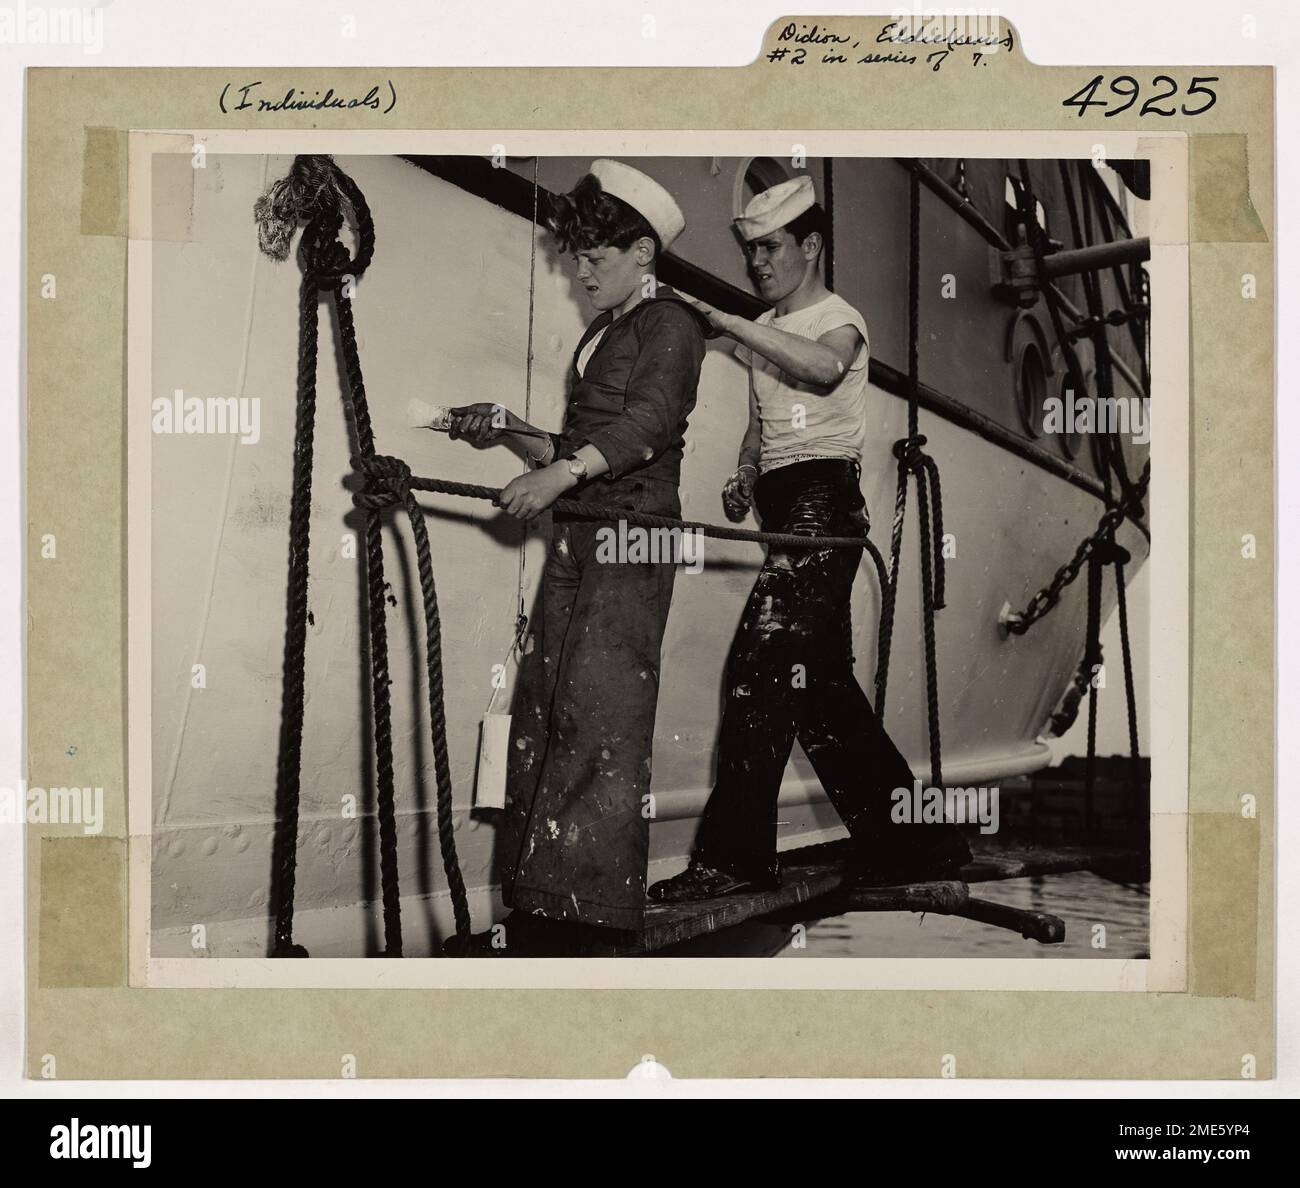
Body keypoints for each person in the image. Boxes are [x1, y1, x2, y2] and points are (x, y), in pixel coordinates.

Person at [649, 175, 971, 903]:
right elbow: (765, 421)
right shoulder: (770, 329)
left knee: (758, 674)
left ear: (811, 244)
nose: (758, 263)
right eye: (752, 252)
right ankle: (917, 843)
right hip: (786, 510)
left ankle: (735, 860)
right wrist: (742, 474)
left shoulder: (838, 318)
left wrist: (727, 321)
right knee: (821, 693)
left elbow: (823, 372)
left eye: (771, 248)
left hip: (824, 514)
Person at [447, 160, 709, 935]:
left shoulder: (671, 325)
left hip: (630, 540)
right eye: (577, 255)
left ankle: (591, 916)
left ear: (643, 255)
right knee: (550, 704)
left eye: (596, 256)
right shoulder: (606, 333)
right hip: (582, 535)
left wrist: (560, 473)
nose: (580, 268)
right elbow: (586, 442)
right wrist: (509, 430)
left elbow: (650, 427)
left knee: (602, 711)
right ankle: (541, 901)